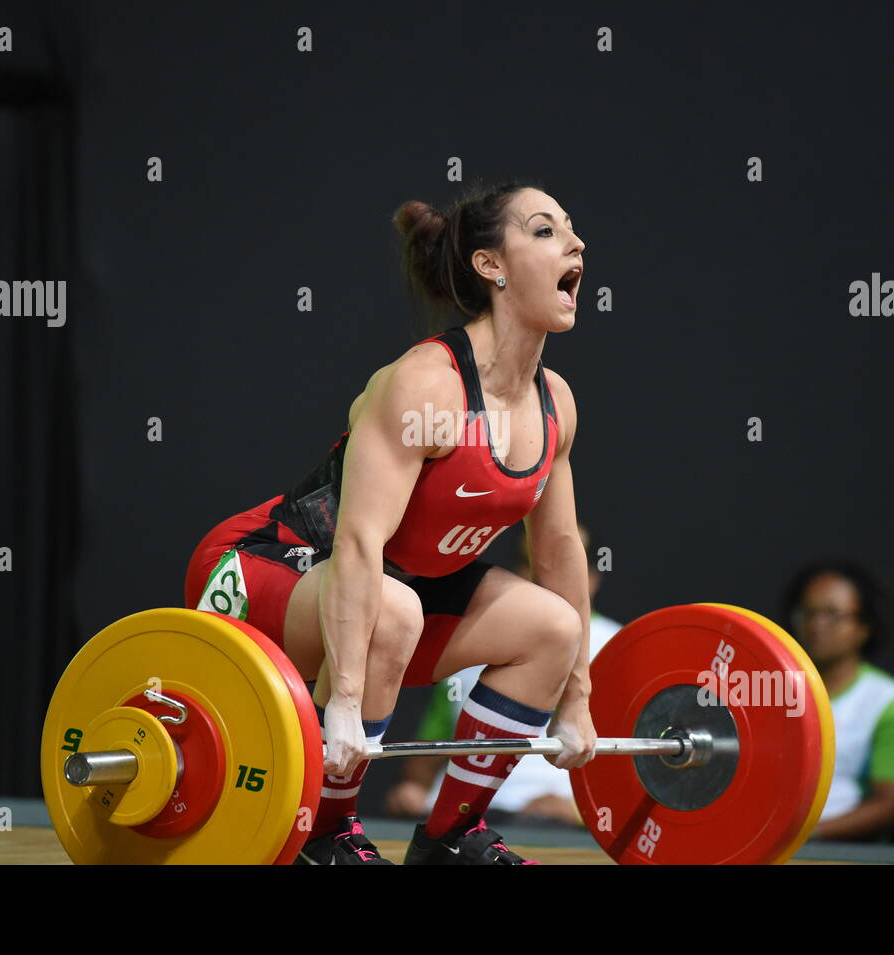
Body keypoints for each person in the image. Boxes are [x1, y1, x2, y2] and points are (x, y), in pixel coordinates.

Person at [183, 180, 597, 865]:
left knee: (554, 627)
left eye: (572, 228)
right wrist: (343, 698)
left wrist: (577, 696)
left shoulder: (556, 402)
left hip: (387, 594)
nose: (576, 242)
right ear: (491, 265)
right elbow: (357, 540)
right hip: (266, 563)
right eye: (546, 230)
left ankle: (450, 836)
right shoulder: (424, 384)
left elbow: (557, 550)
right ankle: (326, 832)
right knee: (394, 606)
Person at [385, 525, 623, 827]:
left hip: (565, 822)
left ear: (591, 576)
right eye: (530, 563)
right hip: (468, 816)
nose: (542, 574)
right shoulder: (478, 640)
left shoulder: (620, 646)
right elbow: (431, 747)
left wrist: (580, 812)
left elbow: (635, 764)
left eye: (561, 563)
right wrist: (415, 790)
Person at [779, 561, 894, 840]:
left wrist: (810, 834)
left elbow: (890, 802)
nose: (816, 625)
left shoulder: (890, 699)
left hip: (838, 848)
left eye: (832, 614)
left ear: (864, 627)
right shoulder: (769, 689)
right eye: (807, 612)